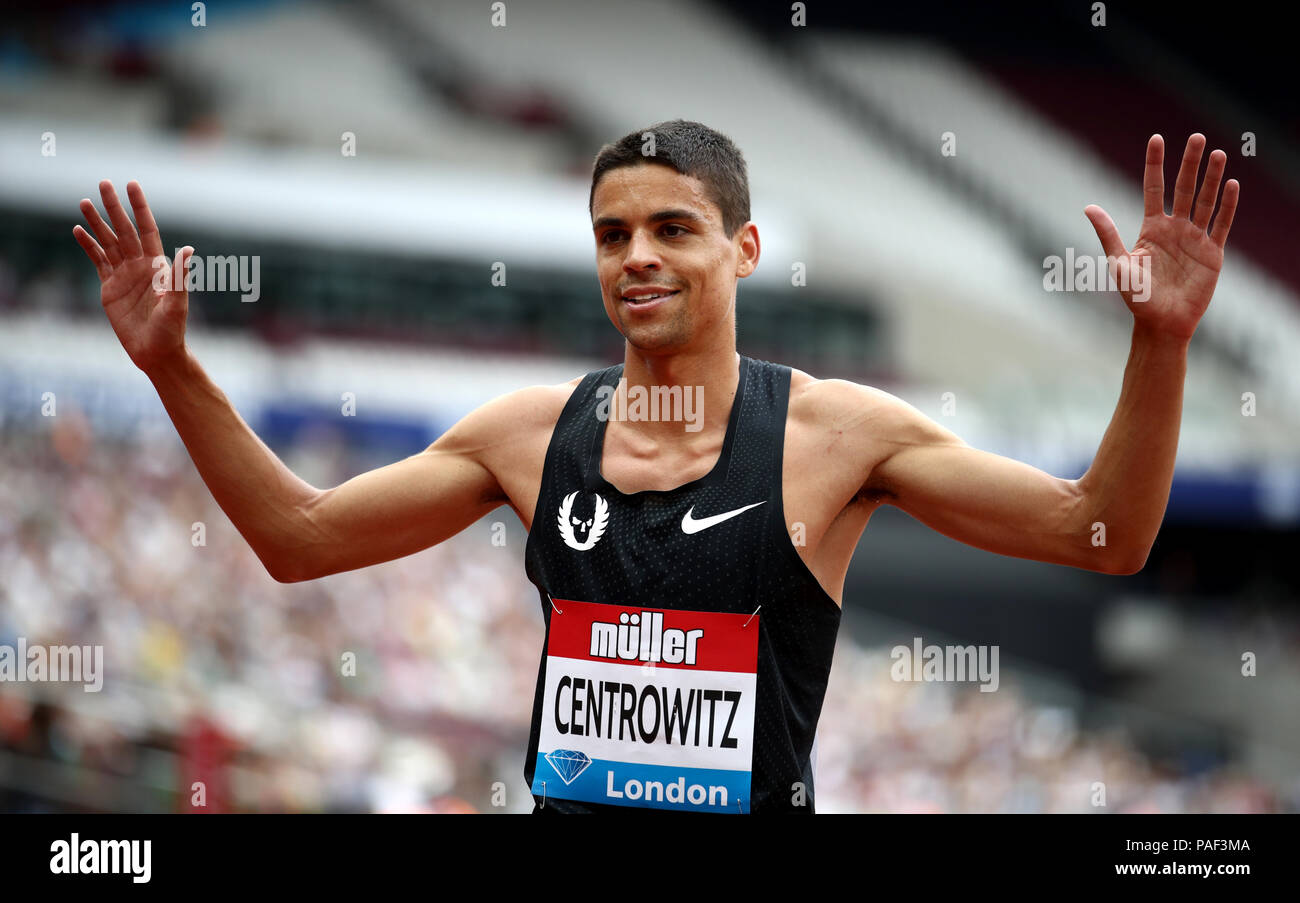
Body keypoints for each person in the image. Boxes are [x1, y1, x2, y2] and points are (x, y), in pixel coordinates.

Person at [72, 119, 1239, 813]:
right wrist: (174, 367)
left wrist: (1159, 343)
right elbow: (301, 536)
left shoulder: (837, 437)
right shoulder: (528, 437)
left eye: (672, 228)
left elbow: (1104, 532)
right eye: (612, 234)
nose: (637, 255)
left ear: (742, 248)